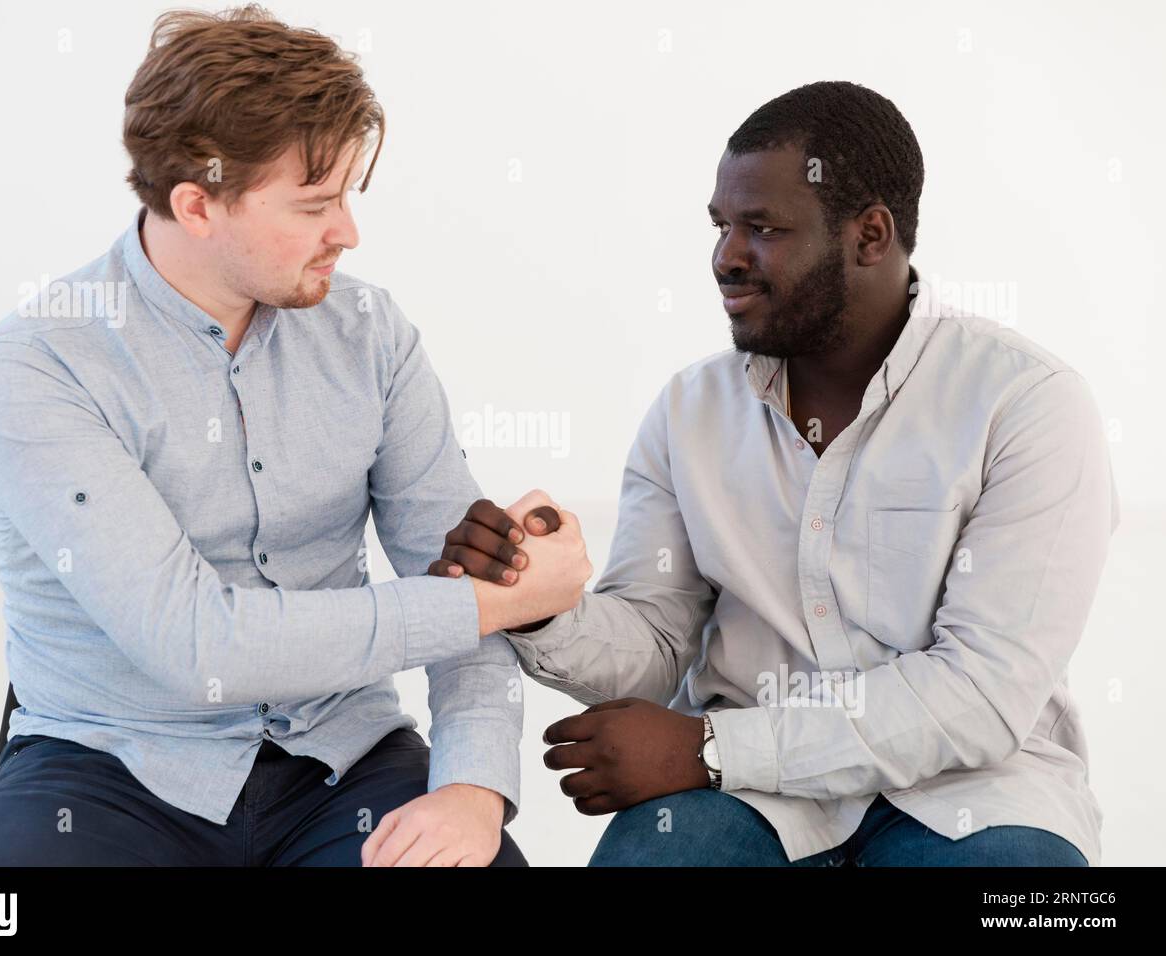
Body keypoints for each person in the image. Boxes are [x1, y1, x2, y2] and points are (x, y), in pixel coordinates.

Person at [0, 4, 589, 868]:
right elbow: (196, 642)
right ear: (197, 206)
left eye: (348, 197)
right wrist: (502, 602)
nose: (347, 233)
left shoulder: (371, 334)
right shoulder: (35, 367)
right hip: (107, 767)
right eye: (314, 204)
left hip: (341, 759)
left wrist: (473, 789)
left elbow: (460, 570)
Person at [433, 81, 1119, 867]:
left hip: (979, 796)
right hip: (753, 807)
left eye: (762, 228)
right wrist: (534, 604)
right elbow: (657, 644)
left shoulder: (1025, 404)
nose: (726, 257)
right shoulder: (690, 411)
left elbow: (980, 697)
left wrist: (712, 749)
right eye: (722, 226)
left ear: (869, 235)